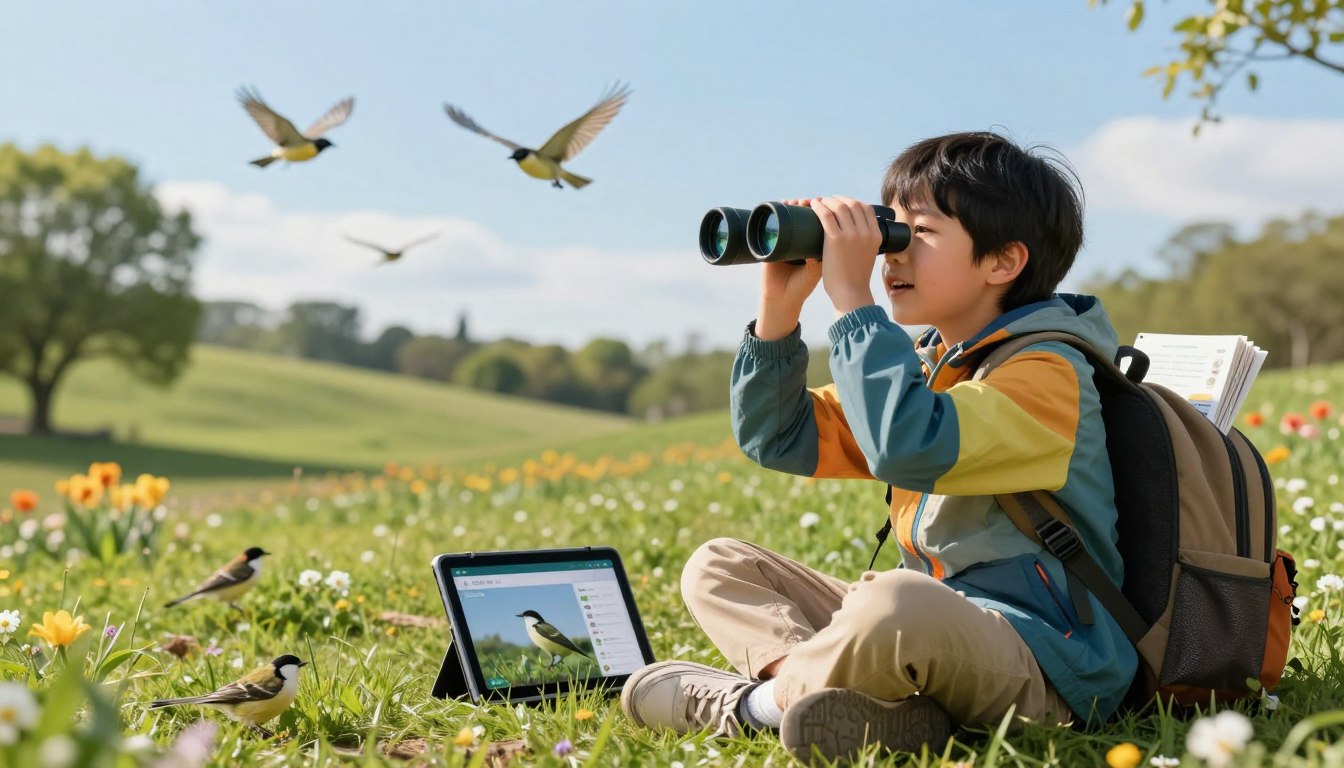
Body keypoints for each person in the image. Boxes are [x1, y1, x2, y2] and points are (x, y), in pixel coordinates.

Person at [619, 132, 1138, 763]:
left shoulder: (1047, 373)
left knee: (894, 600)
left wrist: (853, 303)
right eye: (887, 226)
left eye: (916, 232)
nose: (888, 254)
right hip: (944, 629)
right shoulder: (930, 365)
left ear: (1003, 261)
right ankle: (882, 707)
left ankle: (748, 709)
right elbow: (779, 436)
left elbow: (907, 446)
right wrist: (778, 315)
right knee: (720, 565)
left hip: (1054, 663)